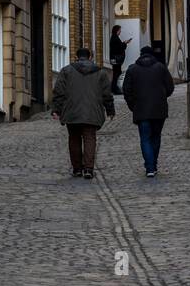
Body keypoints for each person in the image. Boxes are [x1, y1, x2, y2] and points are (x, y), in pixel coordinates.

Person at [51, 46, 114, 179]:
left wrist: (56, 109)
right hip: (92, 112)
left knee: (74, 139)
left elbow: (59, 92)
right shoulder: (101, 73)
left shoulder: (66, 71)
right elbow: (106, 94)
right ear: (90, 57)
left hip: (72, 111)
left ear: (76, 57)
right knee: (90, 138)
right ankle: (88, 169)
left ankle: (77, 169)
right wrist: (110, 110)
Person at [122, 44, 175, 178]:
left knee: (145, 138)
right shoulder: (161, 68)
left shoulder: (132, 69)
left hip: (141, 109)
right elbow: (170, 87)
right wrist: (162, 97)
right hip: (159, 109)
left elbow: (126, 90)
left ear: (141, 55)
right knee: (156, 137)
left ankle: (150, 167)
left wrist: (133, 105)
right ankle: (154, 165)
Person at [109, 24, 131, 95]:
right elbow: (119, 48)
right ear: (116, 30)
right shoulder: (115, 38)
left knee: (116, 73)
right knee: (117, 73)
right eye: (119, 30)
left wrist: (123, 43)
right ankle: (115, 89)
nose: (120, 32)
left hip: (114, 59)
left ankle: (114, 88)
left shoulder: (114, 37)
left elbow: (118, 46)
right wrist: (124, 43)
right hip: (116, 59)